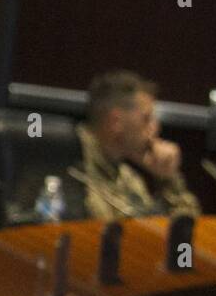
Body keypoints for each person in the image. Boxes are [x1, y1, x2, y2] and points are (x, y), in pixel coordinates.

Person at [73, 70, 200, 221]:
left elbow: (182, 234)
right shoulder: (67, 160)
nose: (155, 128)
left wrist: (168, 178)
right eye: (146, 118)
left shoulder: (127, 178)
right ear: (116, 121)